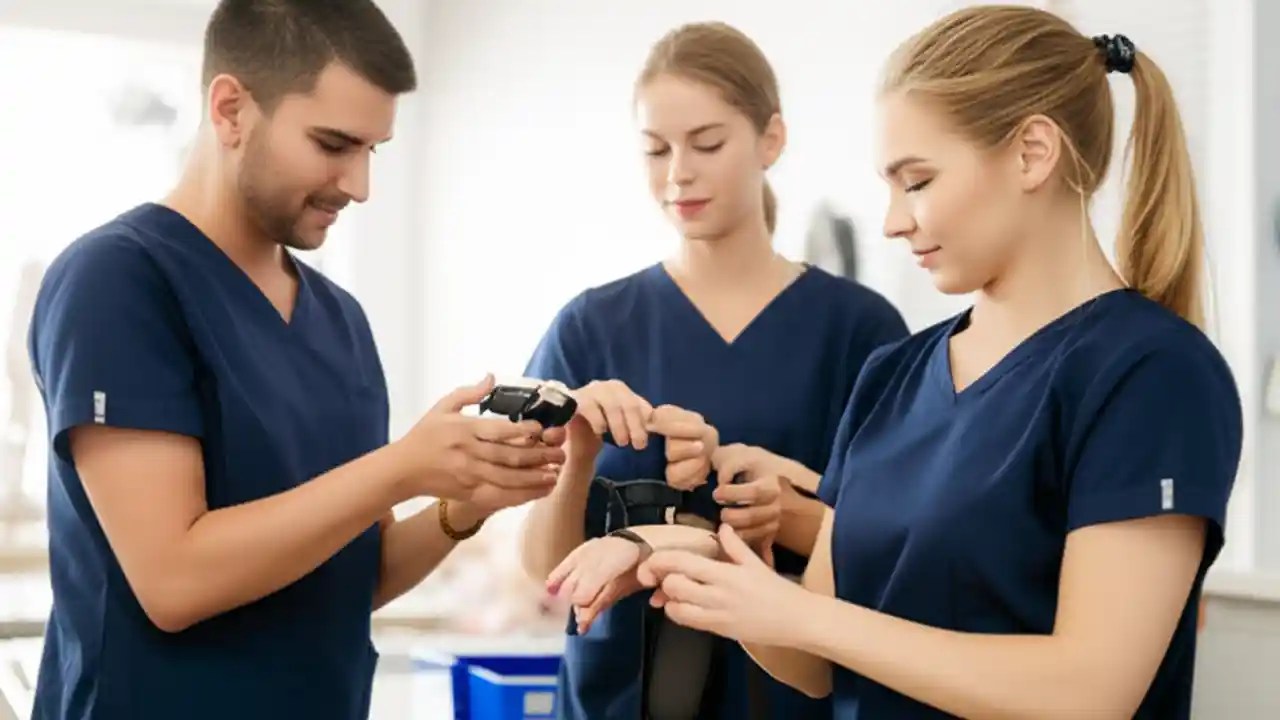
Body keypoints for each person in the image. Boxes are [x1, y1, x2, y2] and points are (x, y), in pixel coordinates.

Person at [549, 6, 1243, 720]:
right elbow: (814, 663)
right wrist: (696, 561)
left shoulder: (1150, 372)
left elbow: (1089, 690)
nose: (892, 220)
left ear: (1033, 153)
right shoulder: (893, 374)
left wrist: (804, 618)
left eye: (916, 182)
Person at [26, 2, 566, 718]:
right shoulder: (118, 282)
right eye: (333, 143)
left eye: (373, 150)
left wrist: (461, 505)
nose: (359, 184)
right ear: (230, 110)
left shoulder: (340, 321)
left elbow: (349, 580)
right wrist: (400, 466)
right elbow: (174, 581)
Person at [520, 20, 908, 720]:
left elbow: (896, 554)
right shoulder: (589, 327)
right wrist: (577, 457)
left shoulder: (860, 331)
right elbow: (545, 572)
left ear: (771, 140)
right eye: (655, 149)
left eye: (706, 143)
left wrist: (780, 516)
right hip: (617, 699)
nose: (679, 174)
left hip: (794, 696)